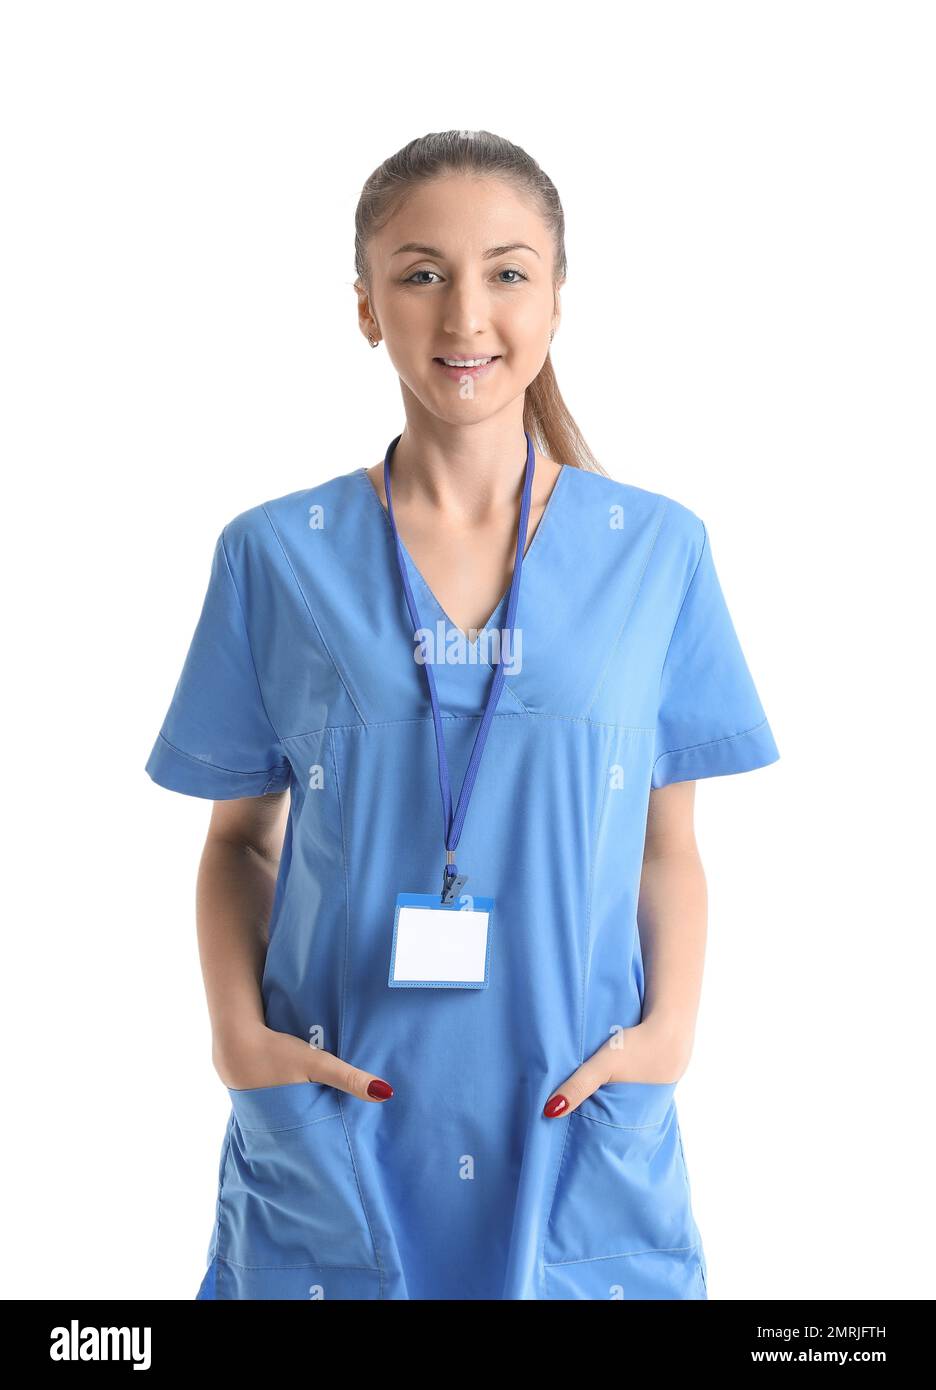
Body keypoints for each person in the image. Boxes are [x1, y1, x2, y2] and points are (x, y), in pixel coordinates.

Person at [145, 129, 780, 1301]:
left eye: (507, 271)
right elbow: (238, 842)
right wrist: (240, 1044)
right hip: (337, 1120)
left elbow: (668, 848)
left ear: (556, 300)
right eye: (421, 272)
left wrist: (667, 1039)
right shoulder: (277, 554)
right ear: (366, 307)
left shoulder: (659, 554)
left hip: (572, 1112)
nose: (465, 315)